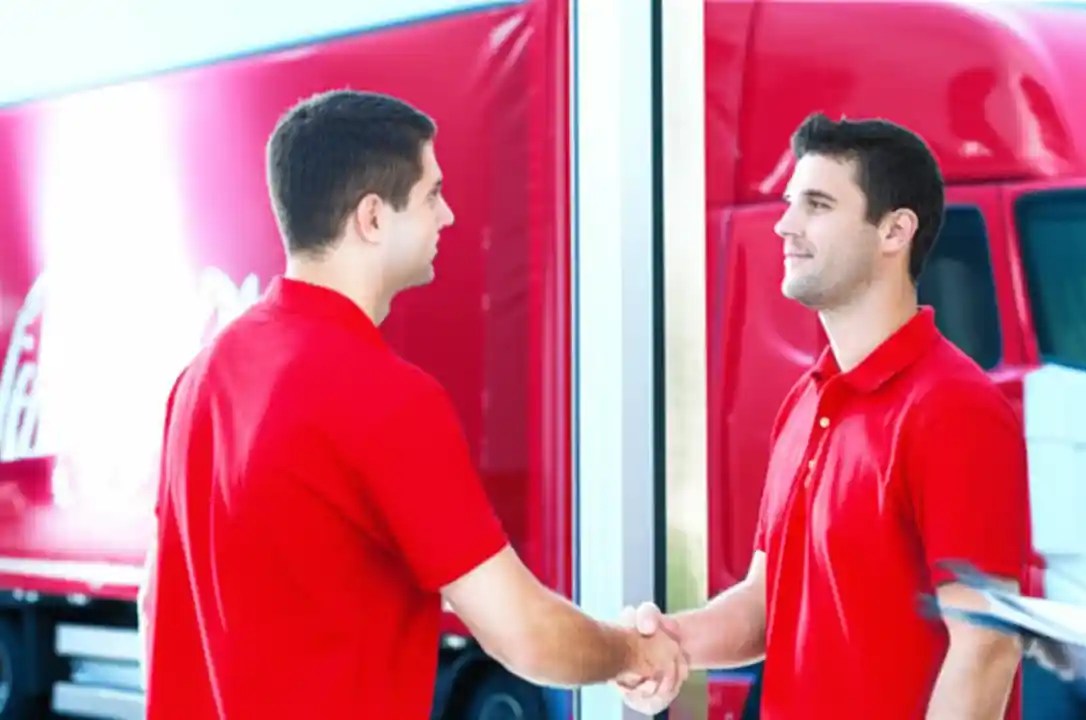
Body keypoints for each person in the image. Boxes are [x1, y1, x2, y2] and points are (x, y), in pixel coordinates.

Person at [139, 89, 687, 719]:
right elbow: (523, 632)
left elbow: (155, 601)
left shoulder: (198, 380)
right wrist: (630, 652)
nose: (447, 216)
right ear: (372, 218)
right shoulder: (385, 396)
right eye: (432, 195)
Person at [618, 113, 1030, 718]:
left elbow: (987, 645)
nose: (785, 224)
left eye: (816, 205)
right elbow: (765, 604)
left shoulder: (954, 408)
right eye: (791, 203)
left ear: (894, 231)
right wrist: (671, 643)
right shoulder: (806, 400)